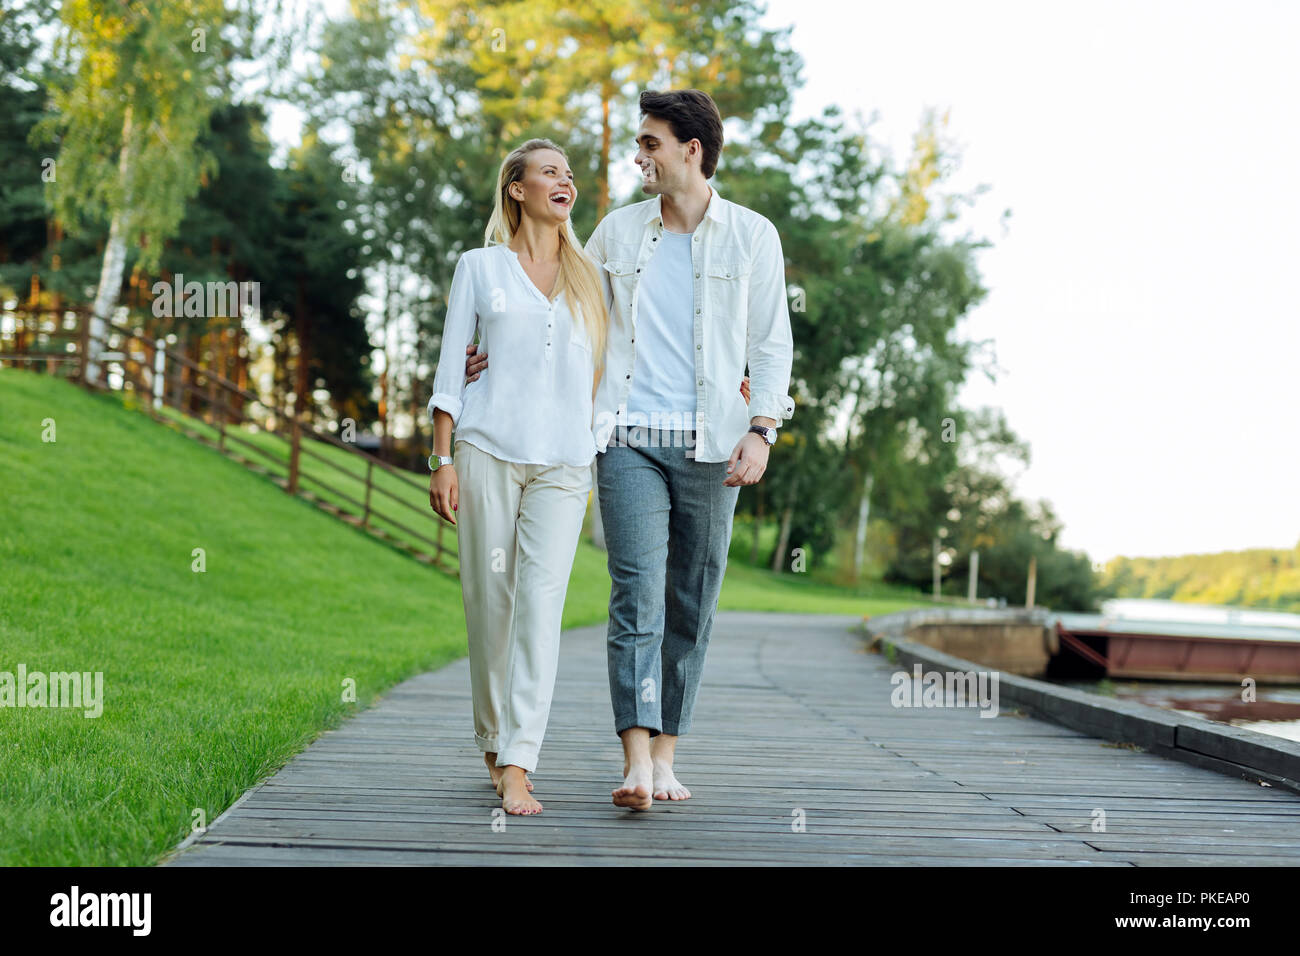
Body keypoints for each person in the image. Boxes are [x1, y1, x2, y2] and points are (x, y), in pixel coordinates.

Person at [465, 90, 795, 811]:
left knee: (691, 600)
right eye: (640, 142)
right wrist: (484, 356)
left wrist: (762, 429)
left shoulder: (751, 237)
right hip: (626, 440)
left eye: (650, 144)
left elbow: (772, 342)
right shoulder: (615, 233)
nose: (638, 155)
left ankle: (669, 752)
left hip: (715, 446)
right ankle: (637, 759)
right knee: (635, 597)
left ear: (690, 151)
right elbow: (554, 303)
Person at [427, 138, 608, 816]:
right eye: (550, 173)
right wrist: (441, 458)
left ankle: (517, 760)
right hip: (486, 452)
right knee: (490, 606)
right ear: (516, 188)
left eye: (569, 174)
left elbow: (621, 364)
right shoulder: (480, 268)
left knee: (540, 608)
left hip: (565, 464)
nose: (565, 182)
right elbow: (453, 367)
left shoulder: (593, 275)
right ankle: (493, 737)